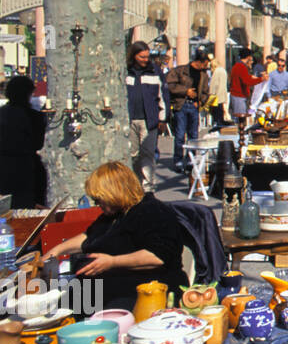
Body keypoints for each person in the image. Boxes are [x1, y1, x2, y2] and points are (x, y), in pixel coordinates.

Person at [40, 162, 189, 312]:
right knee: (54, 306)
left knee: (75, 309)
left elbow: (157, 256)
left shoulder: (152, 212)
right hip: (106, 288)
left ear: (114, 193)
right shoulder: (115, 215)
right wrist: (57, 250)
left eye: (99, 199)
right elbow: (90, 237)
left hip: (150, 291)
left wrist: (112, 262)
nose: (97, 203)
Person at [0, 76, 48, 209]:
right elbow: (38, 143)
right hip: (26, 166)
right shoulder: (34, 117)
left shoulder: (2, 114)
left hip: (5, 165)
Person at [125, 42, 166, 193]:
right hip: (130, 121)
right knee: (133, 155)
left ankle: (148, 188)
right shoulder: (126, 71)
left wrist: (162, 119)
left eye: (147, 57)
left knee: (148, 155)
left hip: (149, 121)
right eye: (142, 57)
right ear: (134, 56)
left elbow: (162, 96)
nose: (145, 59)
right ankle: (135, 187)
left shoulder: (154, 71)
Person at [166, 50, 210, 171]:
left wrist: (201, 101)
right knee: (180, 134)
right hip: (181, 105)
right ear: (199, 62)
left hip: (194, 107)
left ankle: (191, 158)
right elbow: (170, 85)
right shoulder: (180, 71)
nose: (206, 66)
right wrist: (186, 91)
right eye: (205, 63)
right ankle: (178, 160)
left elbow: (206, 92)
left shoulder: (204, 75)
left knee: (193, 134)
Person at [229, 48, 263, 118]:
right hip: (239, 96)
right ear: (248, 57)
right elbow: (247, 82)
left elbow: (243, 78)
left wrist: (251, 77)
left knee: (241, 117)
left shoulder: (237, 66)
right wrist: (261, 79)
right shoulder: (241, 67)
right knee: (241, 118)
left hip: (238, 96)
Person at [206, 55, 228, 127]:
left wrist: (210, 93)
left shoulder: (216, 71)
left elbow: (213, 84)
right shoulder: (223, 70)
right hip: (223, 93)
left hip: (216, 95)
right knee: (221, 110)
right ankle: (220, 123)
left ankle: (217, 124)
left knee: (216, 112)